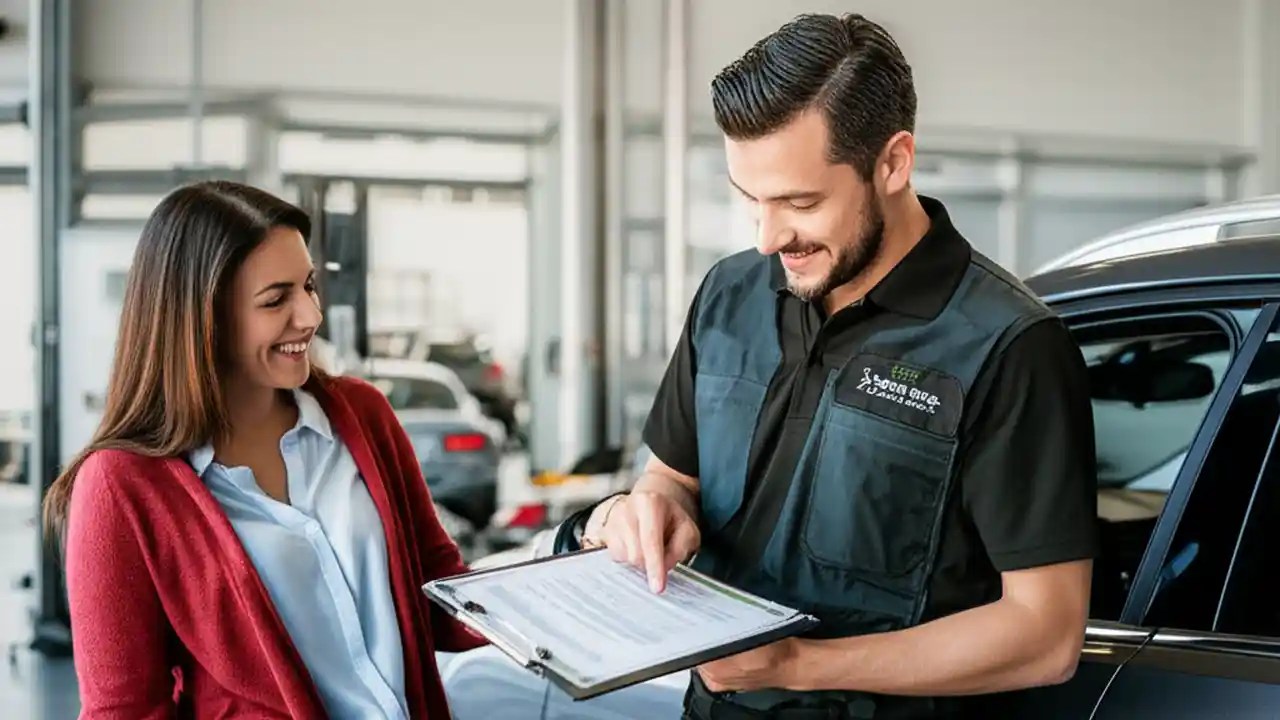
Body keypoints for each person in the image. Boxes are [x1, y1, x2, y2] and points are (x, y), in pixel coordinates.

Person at [568, 13, 1097, 719]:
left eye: (800, 202)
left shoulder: (1008, 345)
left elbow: (1045, 634)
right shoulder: (730, 293)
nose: (766, 237)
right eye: (750, 199)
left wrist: (799, 665)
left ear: (893, 162)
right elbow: (672, 474)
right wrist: (656, 507)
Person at [43, 181, 485, 719]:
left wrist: (579, 552)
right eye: (276, 299)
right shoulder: (121, 485)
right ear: (200, 317)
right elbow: (125, 709)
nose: (309, 315)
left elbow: (441, 594)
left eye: (310, 286)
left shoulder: (362, 415)